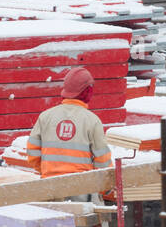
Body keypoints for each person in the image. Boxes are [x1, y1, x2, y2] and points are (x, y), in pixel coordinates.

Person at [27, 67, 114, 201]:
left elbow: (33, 154)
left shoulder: (45, 117)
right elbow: (102, 161)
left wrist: (49, 173)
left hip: (49, 189)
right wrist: (104, 188)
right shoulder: (92, 120)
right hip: (82, 191)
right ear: (87, 92)